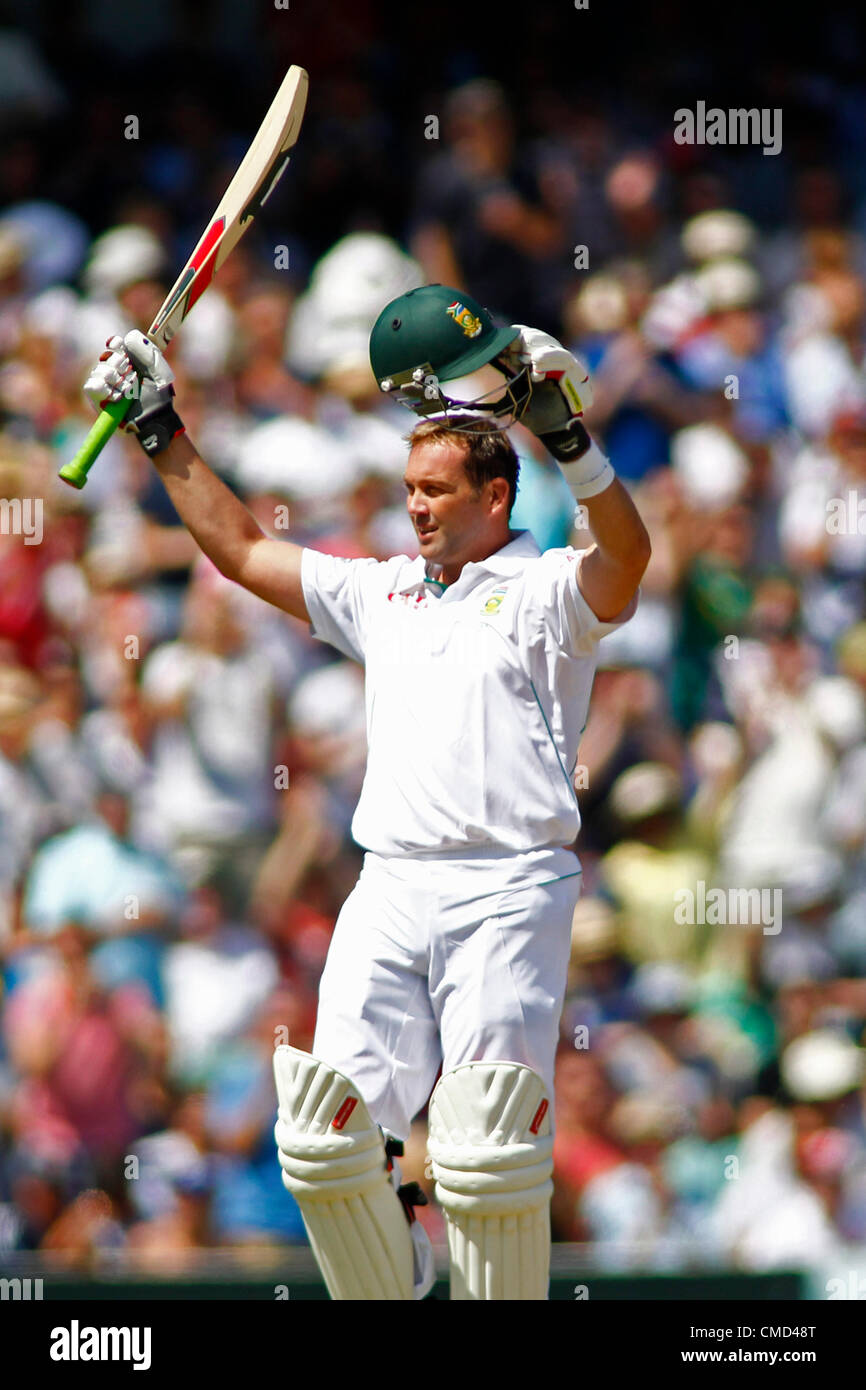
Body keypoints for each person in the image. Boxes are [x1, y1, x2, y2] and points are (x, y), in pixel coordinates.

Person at [83, 282, 650, 1301]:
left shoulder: (540, 588)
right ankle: (401, 1257)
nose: (416, 506)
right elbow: (244, 549)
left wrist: (573, 444)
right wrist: (159, 428)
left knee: (483, 1150)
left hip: (508, 885)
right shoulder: (379, 590)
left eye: (436, 489)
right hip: (388, 883)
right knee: (323, 1136)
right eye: (408, 489)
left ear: (493, 499)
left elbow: (627, 563)